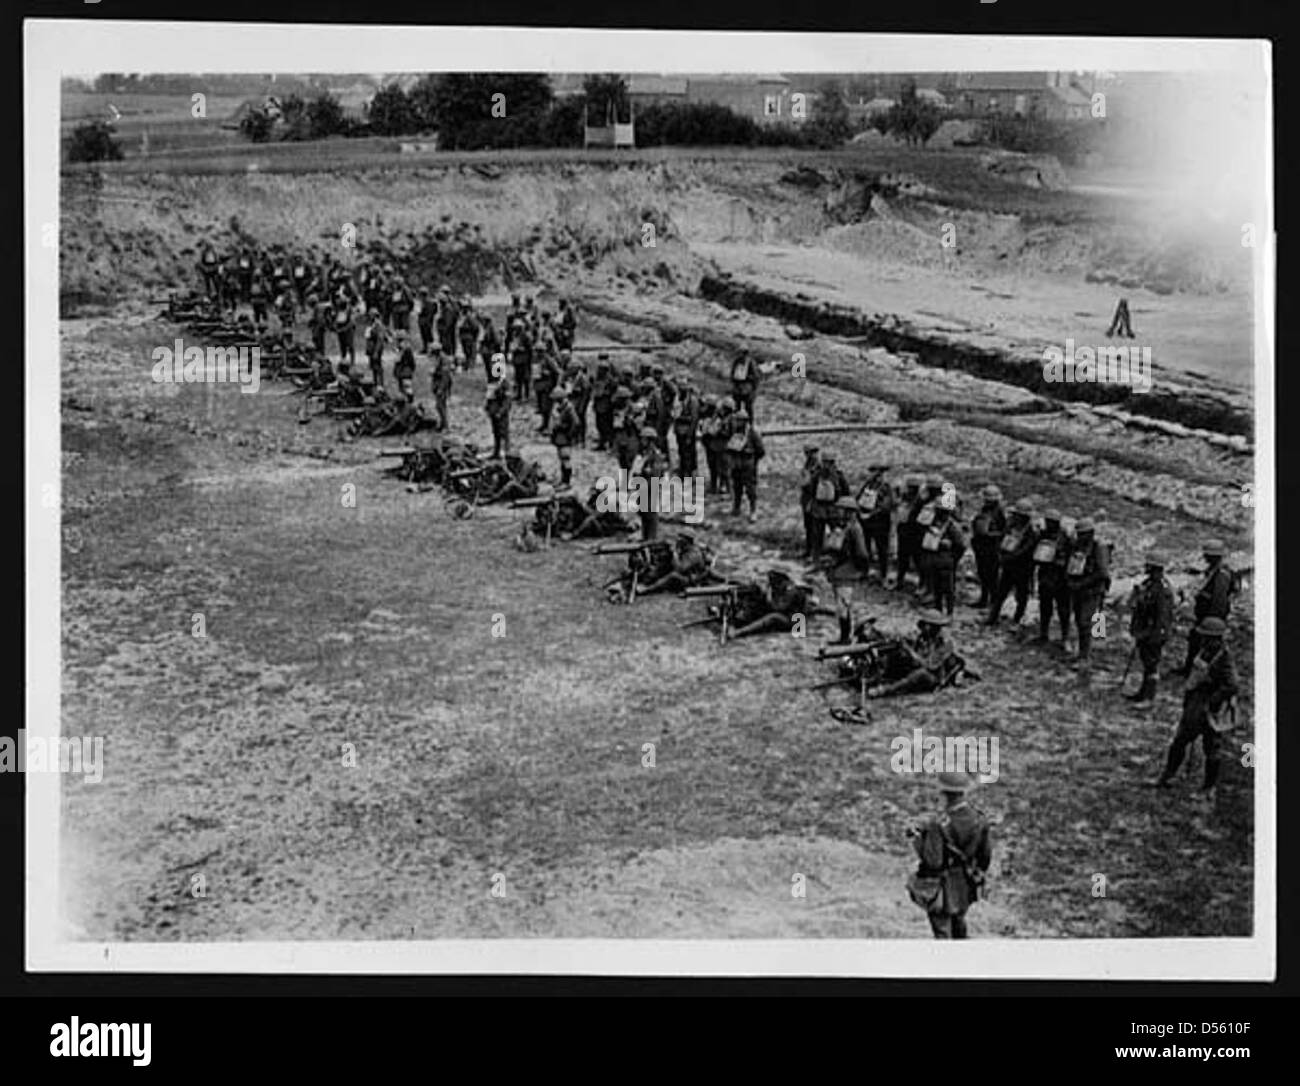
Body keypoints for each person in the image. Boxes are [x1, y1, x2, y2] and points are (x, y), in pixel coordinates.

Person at [1153, 617, 1237, 801]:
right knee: (1179, 741)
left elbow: (1232, 685)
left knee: (1212, 749)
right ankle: (1168, 775)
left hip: (1211, 709)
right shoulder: (1205, 651)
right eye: (1204, 636)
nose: (1204, 639)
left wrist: (1214, 700)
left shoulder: (1224, 657)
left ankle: (1208, 788)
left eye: (1208, 637)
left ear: (1217, 638)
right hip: (1195, 704)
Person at [908, 772, 993, 940]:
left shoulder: (938, 824)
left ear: (944, 794)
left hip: (943, 890)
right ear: (963, 792)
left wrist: (918, 839)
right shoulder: (980, 819)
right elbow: (985, 858)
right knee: (959, 925)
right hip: (966, 886)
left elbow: (933, 862)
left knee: (942, 932)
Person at [868, 611, 964, 698]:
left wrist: (909, 650)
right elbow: (913, 647)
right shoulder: (923, 637)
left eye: (927, 625)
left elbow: (929, 665)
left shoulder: (945, 644)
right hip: (915, 667)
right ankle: (874, 679)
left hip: (933, 677)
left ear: (935, 627)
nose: (923, 628)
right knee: (896, 655)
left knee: (920, 674)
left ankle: (887, 690)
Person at [1178, 539, 1236, 678]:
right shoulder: (1214, 571)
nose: (1204, 557)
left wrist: (1211, 621)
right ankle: (1188, 669)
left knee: (1207, 645)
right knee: (1195, 641)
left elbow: (1218, 601)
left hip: (1211, 617)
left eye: (1207, 555)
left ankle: (1201, 673)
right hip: (1204, 614)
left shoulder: (1221, 575)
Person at [1127, 551, 1175, 705]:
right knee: (1146, 662)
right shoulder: (1148, 584)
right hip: (1144, 631)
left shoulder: (1162, 588)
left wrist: (1153, 635)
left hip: (1154, 633)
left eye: (1149, 565)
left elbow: (1162, 616)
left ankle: (1149, 697)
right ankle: (1142, 693)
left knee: (1152, 665)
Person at [986, 498, 1038, 626]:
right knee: (1001, 593)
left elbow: (1026, 549)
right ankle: (993, 617)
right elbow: (1002, 539)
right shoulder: (1010, 526)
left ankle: (1017, 618)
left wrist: (1009, 557)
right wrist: (1001, 553)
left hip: (1023, 568)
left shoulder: (1031, 532)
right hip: (1009, 566)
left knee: (1021, 595)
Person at [1065, 518, 1110, 667]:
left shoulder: (1099, 548)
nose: (1079, 537)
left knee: (1086, 621)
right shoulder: (1078, 545)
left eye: (1082, 534)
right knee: (1080, 620)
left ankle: (1085, 657)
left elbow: (1102, 573)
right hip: (1080, 588)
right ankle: (1083, 653)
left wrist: (1081, 584)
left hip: (1092, 589)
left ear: (1090, 533)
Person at [827, 496, 870, 645]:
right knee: (841, 607)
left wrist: (863, 570)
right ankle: (844, 636)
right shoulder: (845, 526)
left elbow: (862, 553)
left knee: (844, 606)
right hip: (840, 570)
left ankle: (846, 638)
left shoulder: (855, 528)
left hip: (847, 572)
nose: (837, 511)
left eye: (841, 509)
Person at [729, 570, 819, 639]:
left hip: (795, 623)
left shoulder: (791, 590)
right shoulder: (786, 587)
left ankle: (740, 632)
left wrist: (768, 595)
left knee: (772, 617)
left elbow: (778, 607)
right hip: (789, 616)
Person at [1033, 508, 1072, 645]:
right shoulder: (1043, 535)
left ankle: (1065, 637)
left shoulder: (1065, 538)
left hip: (1060, 578)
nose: (1049, 524)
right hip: (1045, 575)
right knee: (1045, 607)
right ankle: (1043, 634)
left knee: (1063, 609)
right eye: (1048, 521)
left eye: (1052, 522)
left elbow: (1069, 559)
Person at [922, 498, 967, 618]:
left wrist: (953, 558)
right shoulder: (933, 522)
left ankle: (950, 612)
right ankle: (938, 609)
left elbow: (961, 546)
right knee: (936, 587)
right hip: (934, 558)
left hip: (945, 559)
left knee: (948, 588)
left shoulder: (952, 526)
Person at [635, 531, 711, 595]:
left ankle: (647, 589)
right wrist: (643, 544)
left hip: (690, 579)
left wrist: (674, 552)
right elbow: (661, 541)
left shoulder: (694, 554)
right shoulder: (683, 546)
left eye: (681, 537)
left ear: (687, 541)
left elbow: (680, 568)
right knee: (664, 561)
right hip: (683, 572)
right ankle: (645, 578)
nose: (678, 539)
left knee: (673, 575)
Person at [970, 485, 1007, 608]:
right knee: (983, 574)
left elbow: (1004, 532)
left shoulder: (999, 512)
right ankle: (984, 599)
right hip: (981, 547)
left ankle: (993, 602)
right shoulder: (984, 510)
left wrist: (989, 535)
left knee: (992, 576)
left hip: (992, 548)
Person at [726, 407, 765, 523]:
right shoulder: (734, 431)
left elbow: (761, 451)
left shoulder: (753, 432)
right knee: (737, 487)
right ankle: (736, 507)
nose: (737, 422)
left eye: (740, 420)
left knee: (750, 489)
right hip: (736, 463)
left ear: (745, 421)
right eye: (736, 420)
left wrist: (753, 461)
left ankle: (753, 510)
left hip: (748, 464)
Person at [857, 465, 895, 583]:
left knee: (882, 550)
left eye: (876, 473)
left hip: (880, 524)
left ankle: (883, 575)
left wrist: (871, 514)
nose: (874, 475)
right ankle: (865, 571)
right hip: (866, 523)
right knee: (865, 547)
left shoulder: (886, 488)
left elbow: (886, 506)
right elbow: (858, 498)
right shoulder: (867, 485)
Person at [631, 425, 669, 541]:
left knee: (650, 515)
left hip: (651, 489)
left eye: (644, 439)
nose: (642, 441)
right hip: (643, 488)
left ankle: (651, 539)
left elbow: (655, 476)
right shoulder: (644, 454)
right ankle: (645, 536)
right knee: (643, 514)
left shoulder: (655, 456)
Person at [894, 475, 923, 590]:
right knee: (903, 559)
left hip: (913, 533)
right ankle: (900, 581)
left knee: (917, 560)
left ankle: (921, 584)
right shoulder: (907, 498)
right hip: (905, 532)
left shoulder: (919, 501)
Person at [550, 385, 581, 488]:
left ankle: (566, 482)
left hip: (564, 436)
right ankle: (563, 480)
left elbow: (576, 422)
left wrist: (569, 434)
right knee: (561, 459)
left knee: (565, 459)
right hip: (559, 436)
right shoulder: (560, 407)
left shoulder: (568, 408)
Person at [672, 379, 700, 477]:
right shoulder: (678, 399)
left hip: (688, 431)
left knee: (688, 454)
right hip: (680, 431)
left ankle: (687, 474)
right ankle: (683, 471)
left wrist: (690, 435)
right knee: (682, 452)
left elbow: (694, 419)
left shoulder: (692, 401)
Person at [798, 447, 822, 561]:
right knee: (808, 526)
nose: (809, 455)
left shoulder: (819, 467)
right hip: (807, 498)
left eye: (812, 453)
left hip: (815, 499)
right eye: (807, 453)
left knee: (816, 528)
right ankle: (809, 549)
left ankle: (815, 553)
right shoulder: (807, 465)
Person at [485, 374, 511, 459]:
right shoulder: (492, 383)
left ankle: (506, 453)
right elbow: (489, 397)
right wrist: (487, 408)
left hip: (501, 414)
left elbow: (507, 401)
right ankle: (496, 452)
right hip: (493, 412)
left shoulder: (505, 384)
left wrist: (501, 412)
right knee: (496, 433)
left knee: (503, 432)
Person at [729, 351, 761, 419]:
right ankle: (737, 424)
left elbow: (756, 376)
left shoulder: (751, 363)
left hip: (747, 389)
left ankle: (750, 424)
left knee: (748, 407)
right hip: (738, 388)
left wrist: (748, 378)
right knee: (737, 407)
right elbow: (732, 375)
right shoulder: (736, 362)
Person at [364, 309, 390, 389]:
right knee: (373, 367)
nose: (369, 316)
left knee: (378, 366)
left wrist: (376, 351)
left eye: (371, 314)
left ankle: (380, 383)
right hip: (370, 348)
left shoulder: (378, 325)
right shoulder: (370, 324)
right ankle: (375, 382)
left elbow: (380, 339)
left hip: (375, 348)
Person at [429, 347, 453, 428]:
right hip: (438, 384)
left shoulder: (444, 360)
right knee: (440, 405)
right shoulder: (439, 358)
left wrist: (441, 389)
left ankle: (445, 425)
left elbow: (445, 377)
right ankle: (443, 423)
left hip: (442, 385)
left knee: (440, 405)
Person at [393, 334, 417, 404]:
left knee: (406, 388)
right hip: (404, 371)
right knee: (404, 388)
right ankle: (405, 401)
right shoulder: (402, 348)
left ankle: (409, 402)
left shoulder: (404, 349)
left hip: (404, 371)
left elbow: (397, 360)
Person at [416, 287, 435, 354]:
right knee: (423, 336)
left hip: (426, 322)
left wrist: (428, 321)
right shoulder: (421, 302)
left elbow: (430, 313)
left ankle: (432, 349)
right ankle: (425, 348)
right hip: (422, 321)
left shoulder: (429, 302)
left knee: (428, 336)